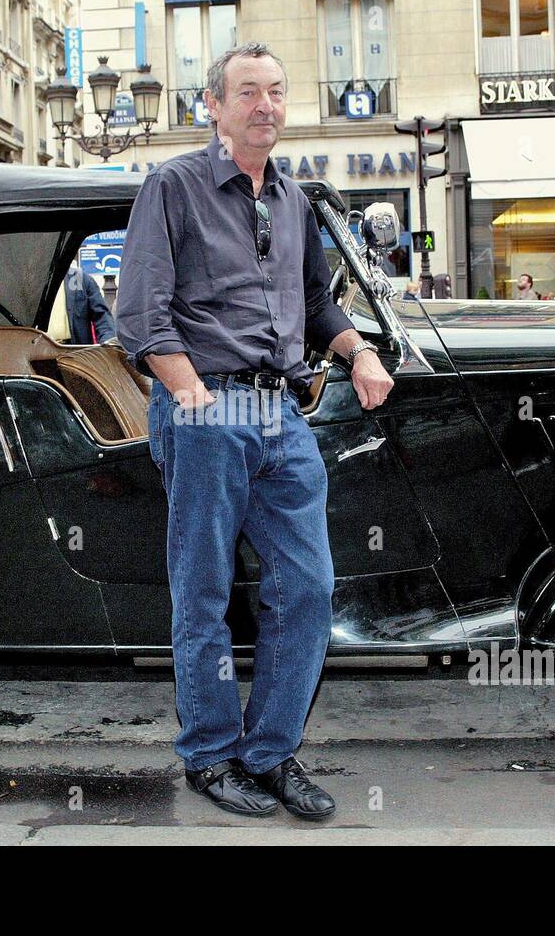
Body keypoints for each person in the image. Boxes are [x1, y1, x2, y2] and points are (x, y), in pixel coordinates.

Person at [116, 41, 395, 821]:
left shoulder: (295, 200)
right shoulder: (171, 186)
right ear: (213, 105)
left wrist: (359, 349)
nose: (265, 104)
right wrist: (193, 395)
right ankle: (210, 754)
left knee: (307, 586)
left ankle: (271, 752)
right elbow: (138, 311)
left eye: (276, 90)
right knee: (201, 589)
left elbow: (317, 303)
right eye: (248, 92)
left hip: (280, 413)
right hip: (207, 407)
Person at [64, 260, 116, 345]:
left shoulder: (80, 279)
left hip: (77, 352)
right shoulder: (35, 279)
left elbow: (102, 318)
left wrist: (108, 344)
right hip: (39, 352)